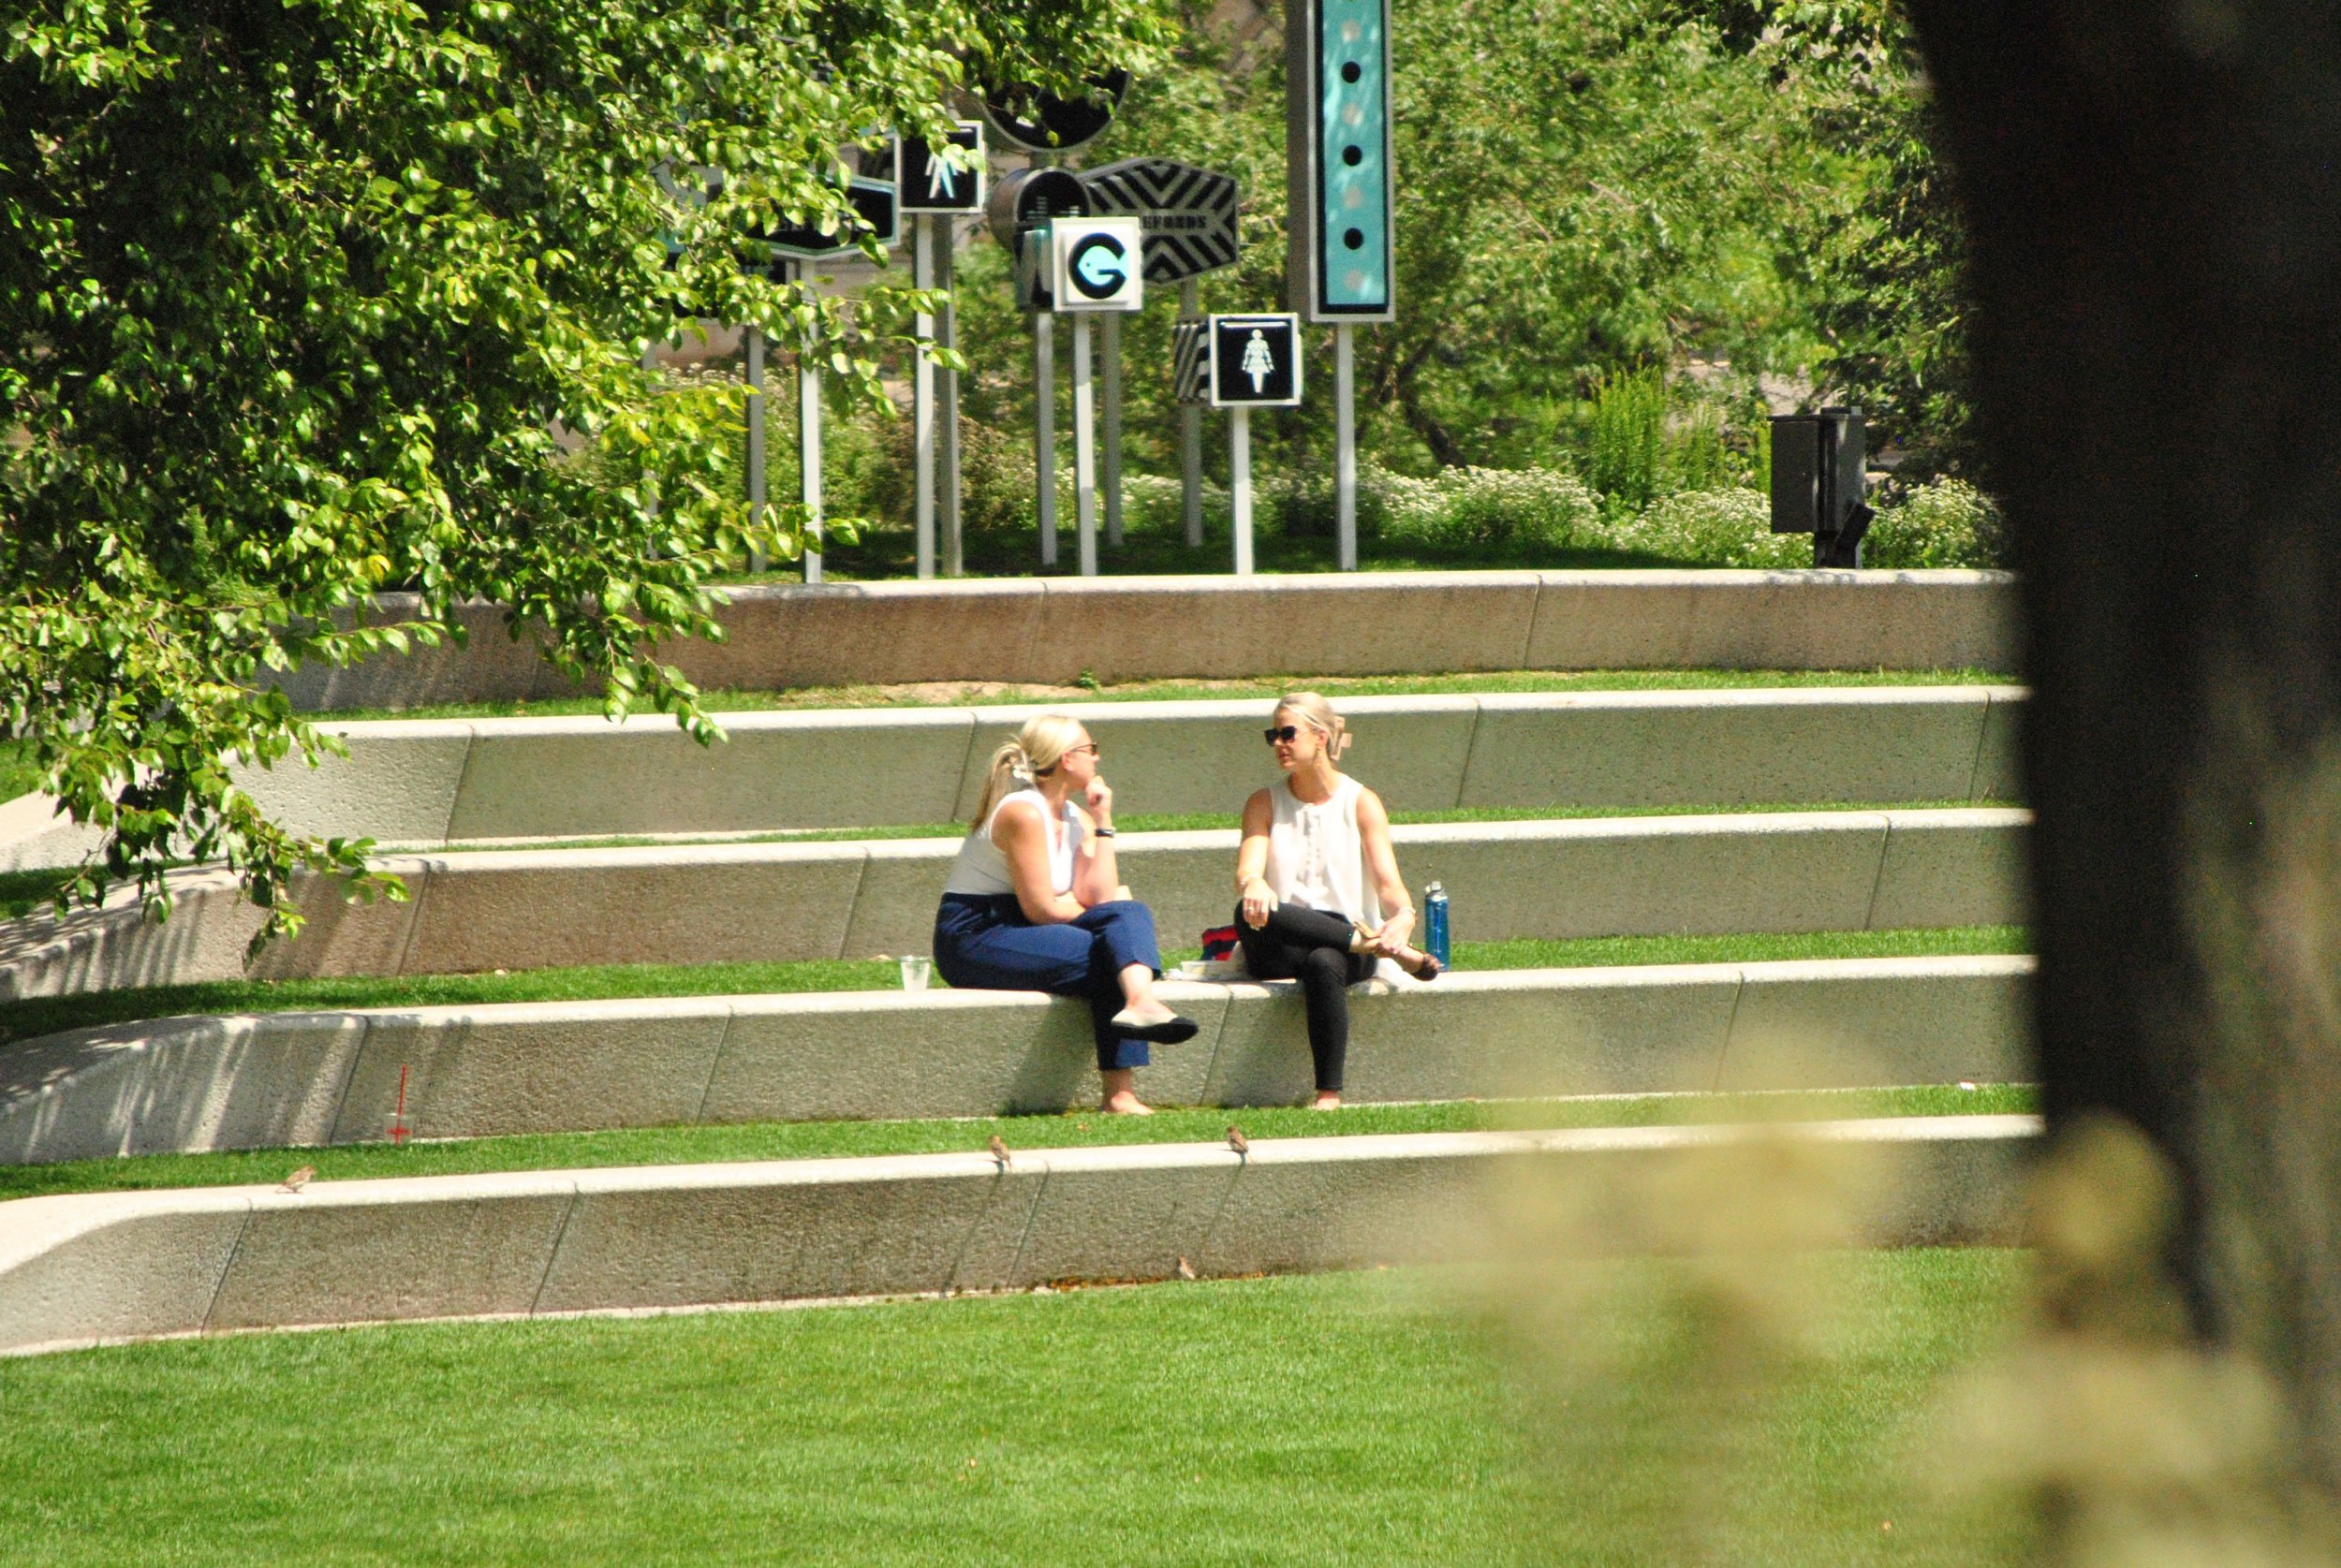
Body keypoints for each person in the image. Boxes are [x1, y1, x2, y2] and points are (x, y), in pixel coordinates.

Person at [934, 713, 1199, 1115]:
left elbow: (1104, 897)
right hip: (975, 934)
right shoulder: (1022, 812)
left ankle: (1139, 1003)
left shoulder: (1078, 817)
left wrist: (1105, 823)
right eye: (1091, 749)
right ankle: (1119, 1094)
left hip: (1024, 925)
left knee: (1130, 914)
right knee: (1110, 950)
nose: (1097, 757)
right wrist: (1091, 912)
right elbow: (1041, 909)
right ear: (1066, 759)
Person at [1232, 692, 1441, 1109]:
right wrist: (1254, 882)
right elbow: (1247, 871)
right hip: (1283, 936)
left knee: (1324, 962)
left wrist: (1404, 914)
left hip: (1340, 946)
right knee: (1246, 911)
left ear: (1321, 736)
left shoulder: (1361, 801)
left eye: (1288, 733)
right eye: (1273, 735)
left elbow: (1387, 883)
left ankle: (1328, 1093)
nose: (1278, 743)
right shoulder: (1263, 801)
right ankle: (1367, 944)